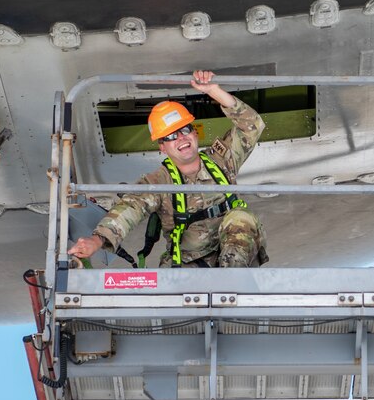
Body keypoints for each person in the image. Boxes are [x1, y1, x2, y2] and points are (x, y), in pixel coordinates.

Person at [68, 70, 268, 268]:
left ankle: (232, 285)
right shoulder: (158, 183)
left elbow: (252, 125)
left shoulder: (222, 161)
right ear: (162, 147)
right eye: (171, 136)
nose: (181, 138)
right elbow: (130, 209)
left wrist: (214, 91)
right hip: (188, 262)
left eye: (184, 130)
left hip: (234, 256)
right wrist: (97, 240)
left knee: (241, 218)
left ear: (195, 133)